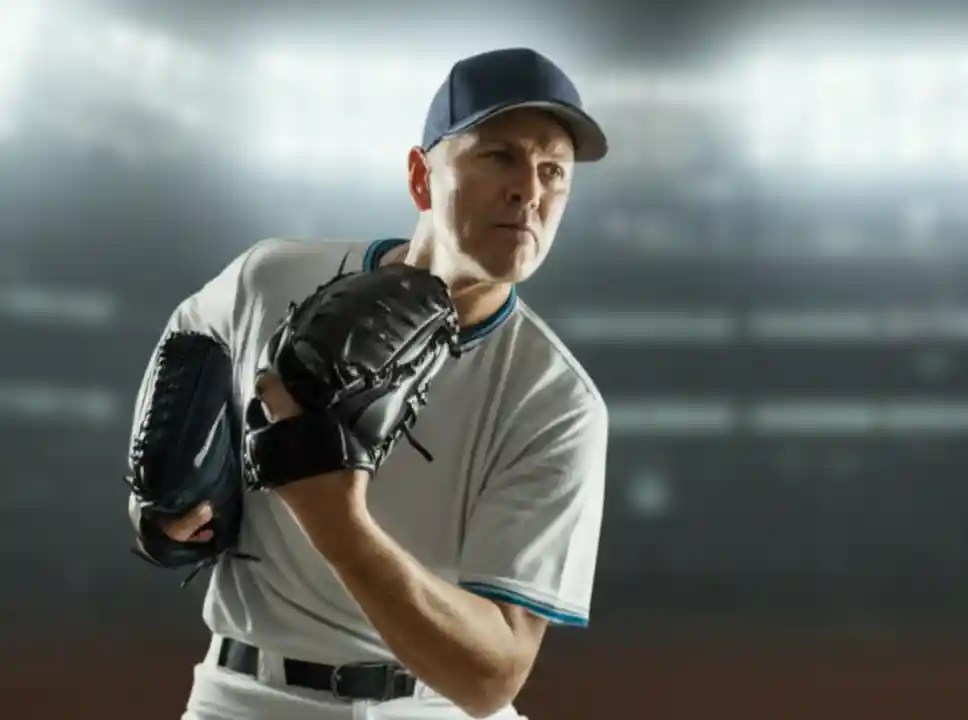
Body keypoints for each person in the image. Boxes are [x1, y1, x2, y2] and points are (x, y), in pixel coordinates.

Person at [125, 47, 611, 720]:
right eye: (499, 155)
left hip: (434, 707)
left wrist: (337, 520)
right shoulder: (269, 281)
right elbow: (187, 346)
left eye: (553, 170)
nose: (529, 189)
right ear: (421, 177)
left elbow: (491, 677)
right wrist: (158, 505)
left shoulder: (556, 401)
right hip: (244, 697)